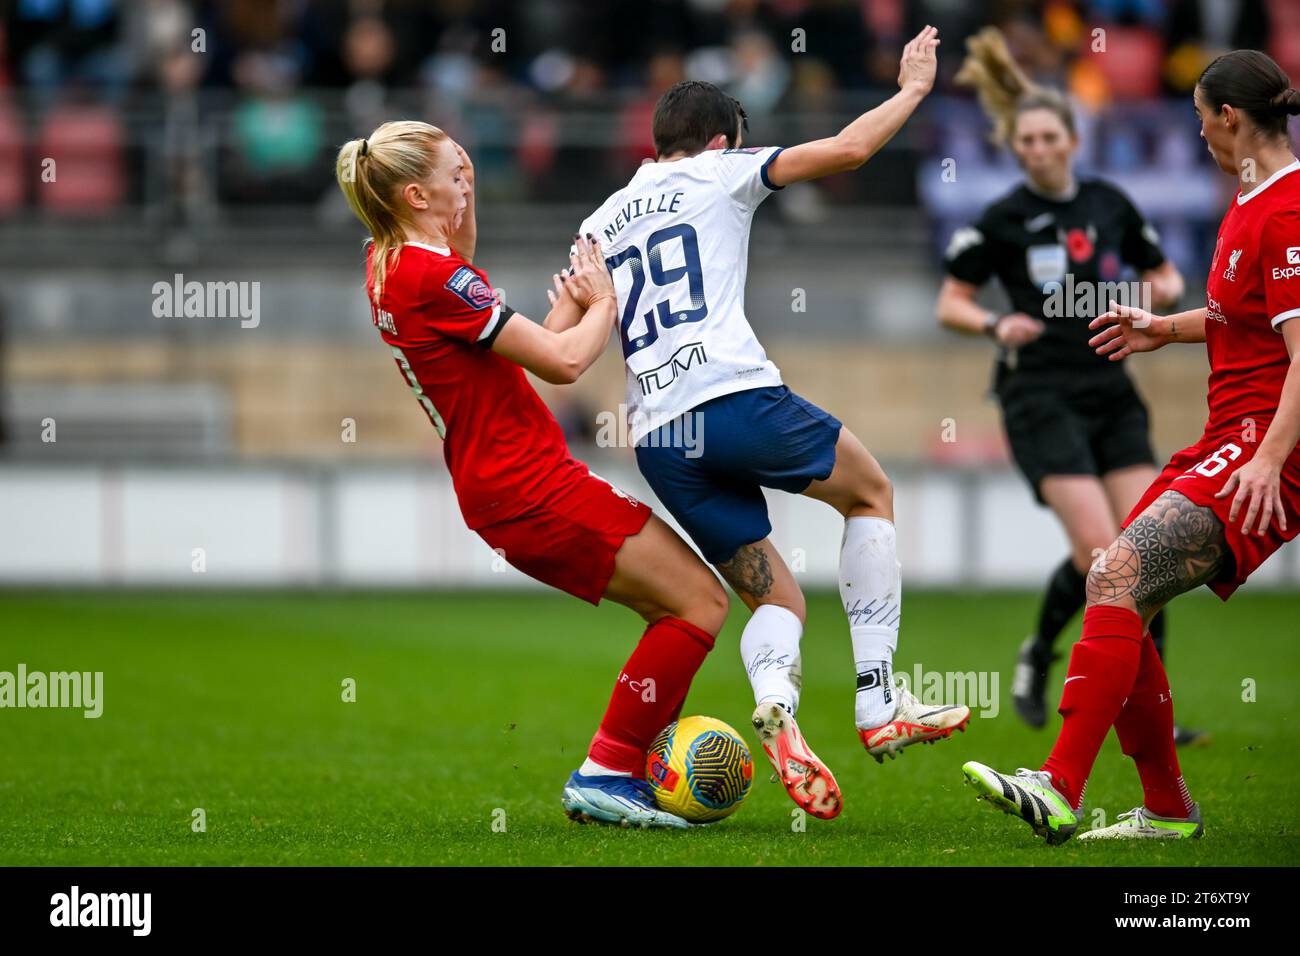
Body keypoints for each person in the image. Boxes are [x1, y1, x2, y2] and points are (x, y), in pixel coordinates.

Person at [574, 26, 969, 822]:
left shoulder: (600, 221)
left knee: (777, 601)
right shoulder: (726, 171)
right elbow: (852, 149)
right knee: (870, 495)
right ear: (722, 140)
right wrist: (915, 90)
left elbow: (560, 343)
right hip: (733, 397)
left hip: (658, 435)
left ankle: (779, 707)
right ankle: (876, 701)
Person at [335, 120, 732, 830]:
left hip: (504, 486)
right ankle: (608, 770)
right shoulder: (433, 276)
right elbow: (564, 361)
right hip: (529, 486)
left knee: (673, 606)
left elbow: (463, 268)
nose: (469, 181)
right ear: (418, 193)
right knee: (699, 602)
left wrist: (465, 195)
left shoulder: (389, 261)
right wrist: (602, 301)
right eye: (458, 176)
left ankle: (629, 766)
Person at [962, 49, 1300, 842]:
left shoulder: (1285, 211)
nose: (1197, 133)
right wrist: (1165, 329)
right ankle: (1166, 810)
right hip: (1230, 437)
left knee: (1115, 569)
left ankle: (1058, 784)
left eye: (1198, 117)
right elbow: (1240, 323)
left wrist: (1272, 458)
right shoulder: (1253, 200)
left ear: (1228, 118)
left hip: (1260, 443)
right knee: (1122, 585)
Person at [935, 27, 1204, 745]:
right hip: (1038, 395)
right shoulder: (1003, 219)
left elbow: (1167, 273)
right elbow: (950, 302)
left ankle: (1152, 713)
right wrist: (996, 326)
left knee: (1154, 550)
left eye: (1051, 137)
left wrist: (1159, 295)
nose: (1040, 149)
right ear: (1016, 148)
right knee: (1100, 555)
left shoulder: (1111, 204)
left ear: (1071, 139)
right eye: (1027, 142)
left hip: (1110, 391)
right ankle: (1041, 655)